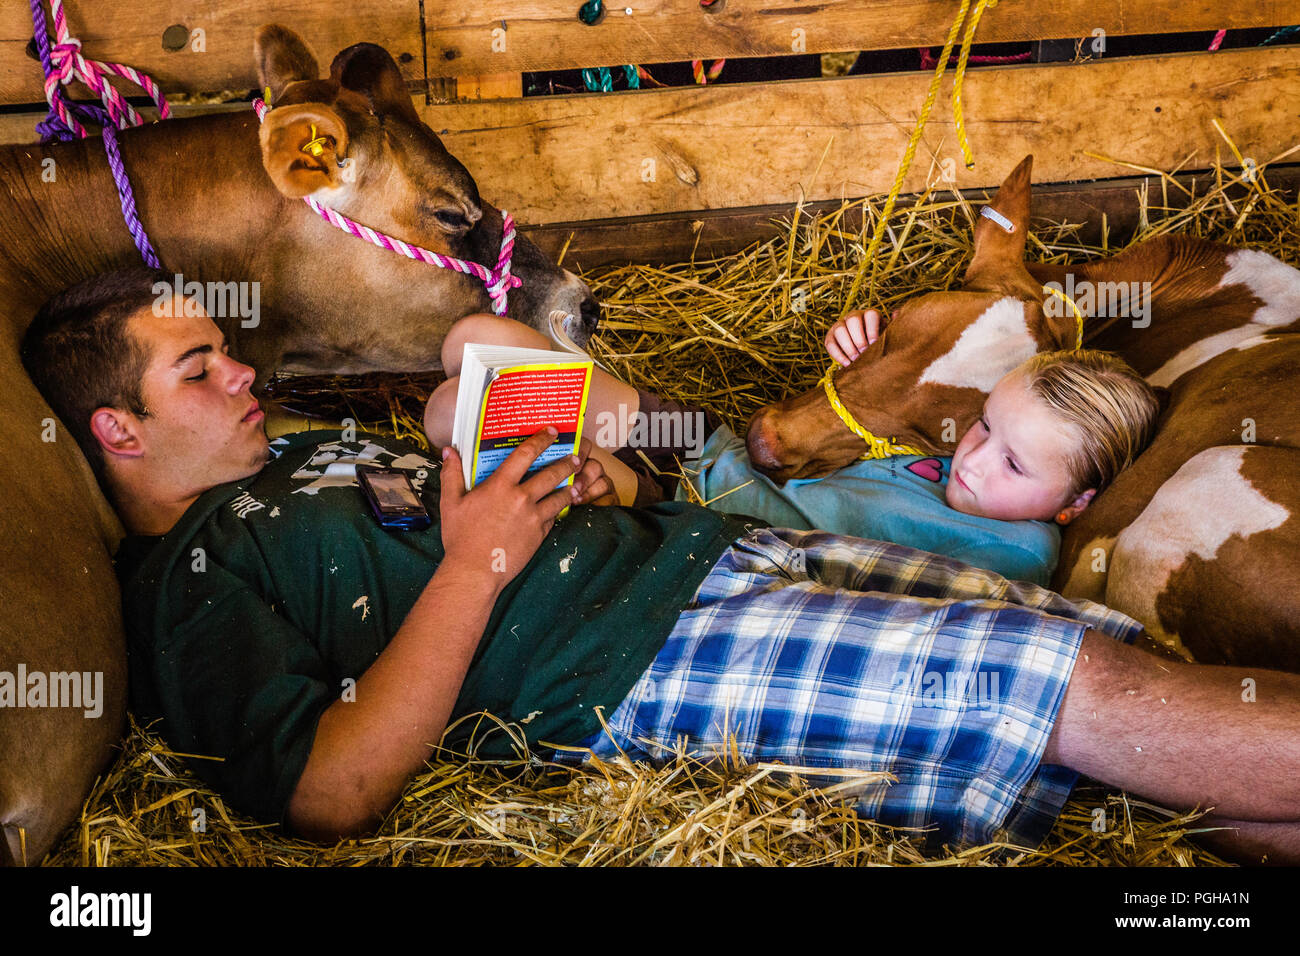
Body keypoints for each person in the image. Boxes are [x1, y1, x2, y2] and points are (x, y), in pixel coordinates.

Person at [21, 268, 1300, 864]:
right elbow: (327, 790)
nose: (244, 370)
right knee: (1075, 689)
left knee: (1107, 673)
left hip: (710, 550)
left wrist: (590, 479)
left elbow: (469, 436)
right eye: (200, 370)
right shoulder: (191, 580)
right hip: (638, 659)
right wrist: (477, 564)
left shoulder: (291, 458)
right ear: (117, 430)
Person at [423, 312, 1161, 585]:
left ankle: (536, 445)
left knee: (451, 411)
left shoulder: (1015, 556)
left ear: (1077, 506)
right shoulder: (954, 462)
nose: (974, 458)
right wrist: (861, 355)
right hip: (697, 441)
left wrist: (626, 491)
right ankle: (538, 420)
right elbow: (852, 422)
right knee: (473, 336)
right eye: (985, 426)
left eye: (1013, 463)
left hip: (677, 511)